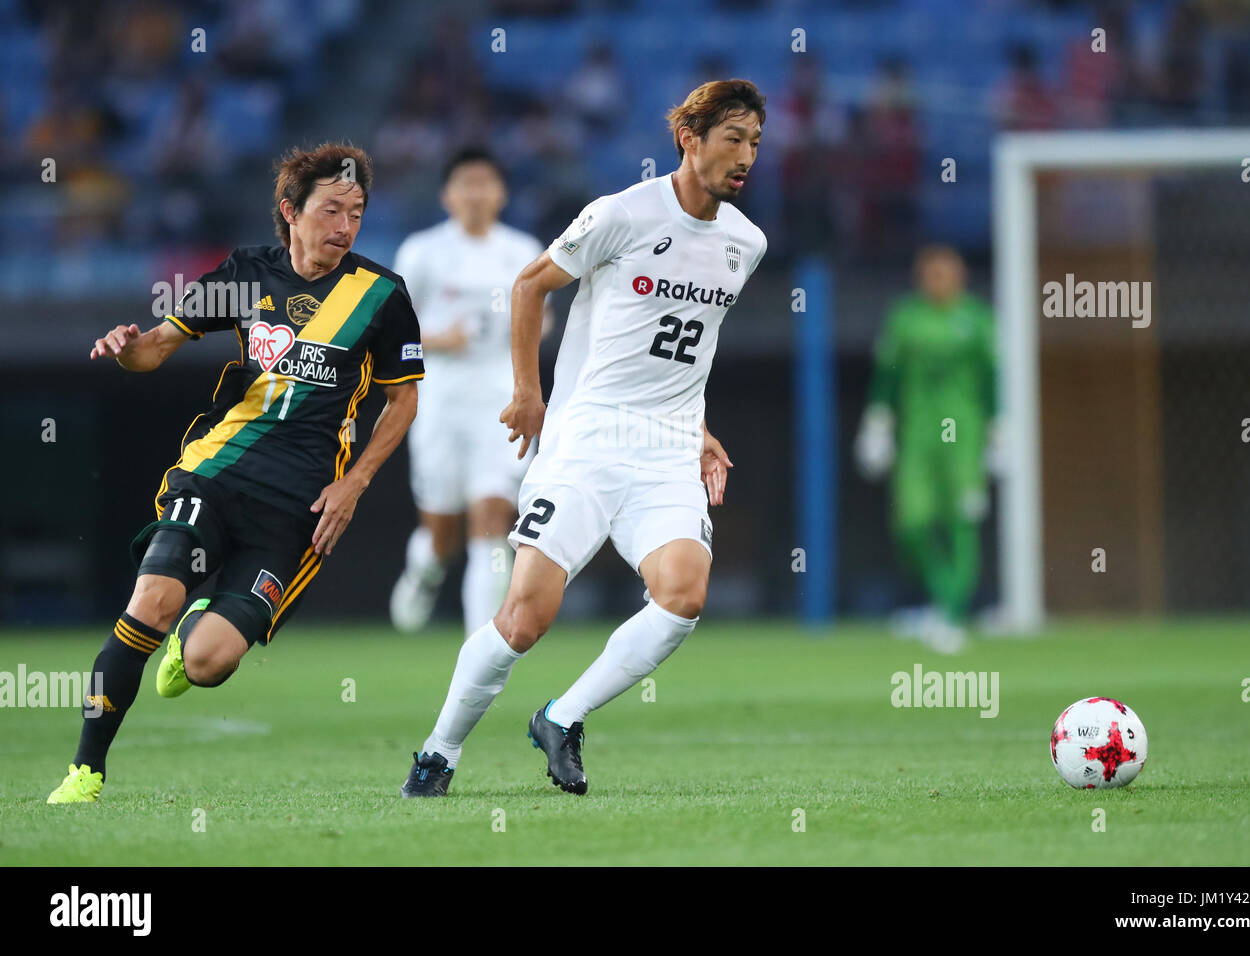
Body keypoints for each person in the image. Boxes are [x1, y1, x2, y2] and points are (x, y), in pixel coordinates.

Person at [400, 79, 767, 797]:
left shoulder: (745, 242)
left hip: (665, 449)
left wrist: (698, 428)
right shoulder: (620, 214)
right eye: (733, 138)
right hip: (587, 441)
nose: (746, 154)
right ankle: (439, 752)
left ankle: (561, 717)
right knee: (526, 616)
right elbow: (531, 285)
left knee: (683, 595)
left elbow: (684, 352)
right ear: (688, 138)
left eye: (755, 141)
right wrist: (530, 393)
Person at [48, 143, 424, 804]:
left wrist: (355, 482)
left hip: (297, 509)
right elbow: (157, 348)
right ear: (290, 212)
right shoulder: (247, 273)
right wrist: (127, 348)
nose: (345, 227)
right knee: (148, 605)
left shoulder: (382, 295)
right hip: (215, 474)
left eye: (356, 213)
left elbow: (403, 399)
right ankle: (85, 770)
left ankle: (200, 626)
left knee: (208, 662)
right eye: (331, 210)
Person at [389, 148, 551, 636]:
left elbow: (543, 320)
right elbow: (390, 329)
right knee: (441, 531)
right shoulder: (421, 252)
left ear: (501, 193)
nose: (476, 193)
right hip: (438, 400)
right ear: (447, 194)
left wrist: (520, 334)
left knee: (492, 516)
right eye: (466, 183)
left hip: (502, 399)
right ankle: (426, 570)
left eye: (486, 183)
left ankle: (481, 644)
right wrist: (442, 339)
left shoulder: (522, 249)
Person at [855, 245, 1000, 653]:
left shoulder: (977, 320)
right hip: (917, 436)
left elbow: (993, 378)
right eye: (930, 273)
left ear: (960, 276)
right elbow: (887, 373)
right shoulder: (906, 319)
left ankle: (951, 616)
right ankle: (942, 600)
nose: (938, 280)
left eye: (945, 272)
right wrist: (877, 423)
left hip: (964, 439)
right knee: (912, 525)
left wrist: (998, 427)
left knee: (961, 522)